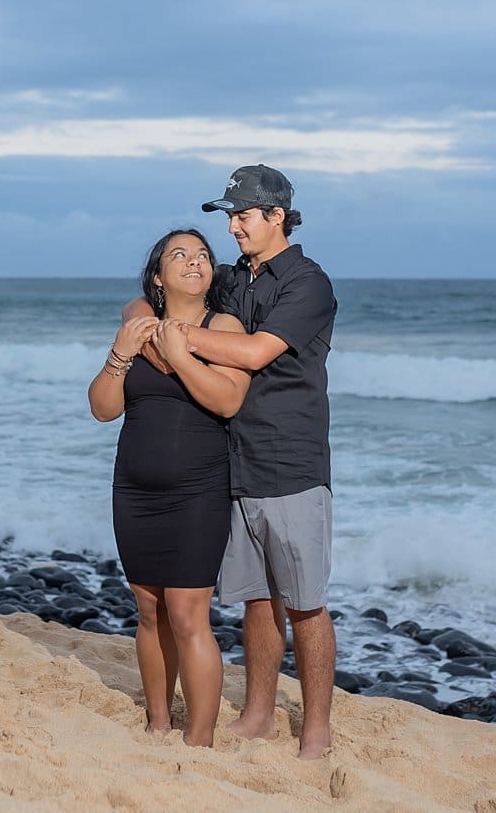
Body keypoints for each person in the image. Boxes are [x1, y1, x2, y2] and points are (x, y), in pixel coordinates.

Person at [130, 164, 338, 759]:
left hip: (293, 464)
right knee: (257, 598)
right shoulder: (232, 280)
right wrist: (143, 322)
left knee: (304, 603)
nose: (235, 227)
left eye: (243, 216)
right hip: (234, 463)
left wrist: (178, 340)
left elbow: (253, 351)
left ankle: (318, 726)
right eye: (230, 217)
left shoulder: (307, 283)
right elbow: (154, 294)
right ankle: (258, 714)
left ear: (278, 217)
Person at [88, 229, 250, 747]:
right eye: (179, 255)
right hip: (133, 489)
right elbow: (103, 408)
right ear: (158, 277)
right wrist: (119, 354)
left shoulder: (222, 326)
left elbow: (227, 401)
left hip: (198, 491)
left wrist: (181, 356)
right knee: (150, 610)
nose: (194, 261)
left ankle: (199, 739)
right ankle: (159, 722)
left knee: (187, 613)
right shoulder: (137, 325)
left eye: (202, 255)